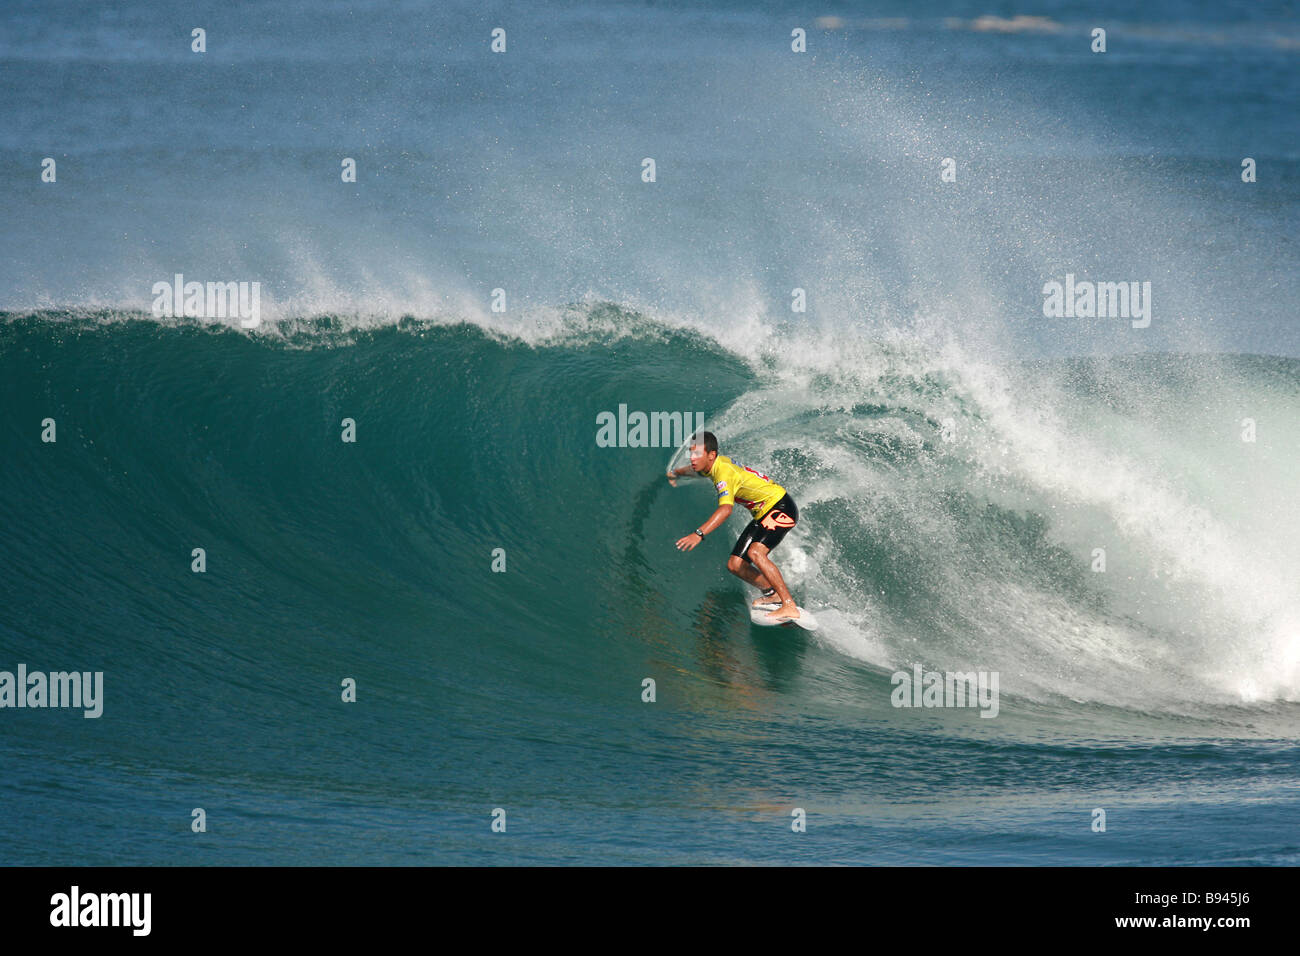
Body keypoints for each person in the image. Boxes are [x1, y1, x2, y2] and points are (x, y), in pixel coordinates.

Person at [668, 431, 801, 622]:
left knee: (756, 553)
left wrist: (699, 534)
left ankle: (789, 605)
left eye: (696, 453)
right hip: (763, 513)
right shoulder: (710, 465)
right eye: (691, 453)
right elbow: (695, 469)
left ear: (711, 455)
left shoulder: (723, 473)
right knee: (735, 564)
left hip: (781, 507)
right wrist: (676, 473)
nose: (692, 458)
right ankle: (772, 592)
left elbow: (725, 510)